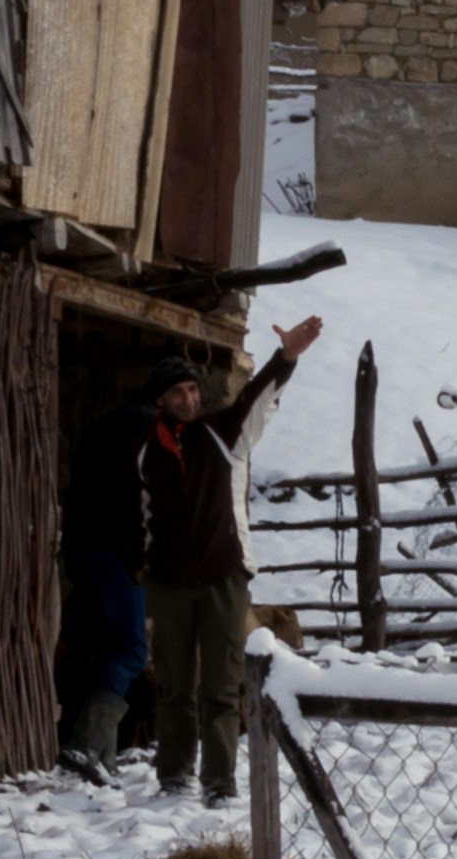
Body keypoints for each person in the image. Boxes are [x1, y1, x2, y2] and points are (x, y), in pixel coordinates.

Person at [138, 311, 323, 805]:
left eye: (193, 391)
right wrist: (145, 566)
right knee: (174, 683)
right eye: (178, 393)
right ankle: (173, 776)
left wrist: (285, 359)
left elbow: (254, 398)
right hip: (170, 583)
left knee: (221, 685)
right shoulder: (145, 454)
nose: (189, 398)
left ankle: (218, 783)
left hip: (222, 577)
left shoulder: (224, 435)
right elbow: (141, 517)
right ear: (161, 400)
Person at [57, 388, 152, 781]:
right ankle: (86, 746)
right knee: (131, 648)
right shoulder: (147, 433)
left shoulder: (105, 428)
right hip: (116, 555)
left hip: (83, 551)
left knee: (104, 647)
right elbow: (140, 501)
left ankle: (102, 758)